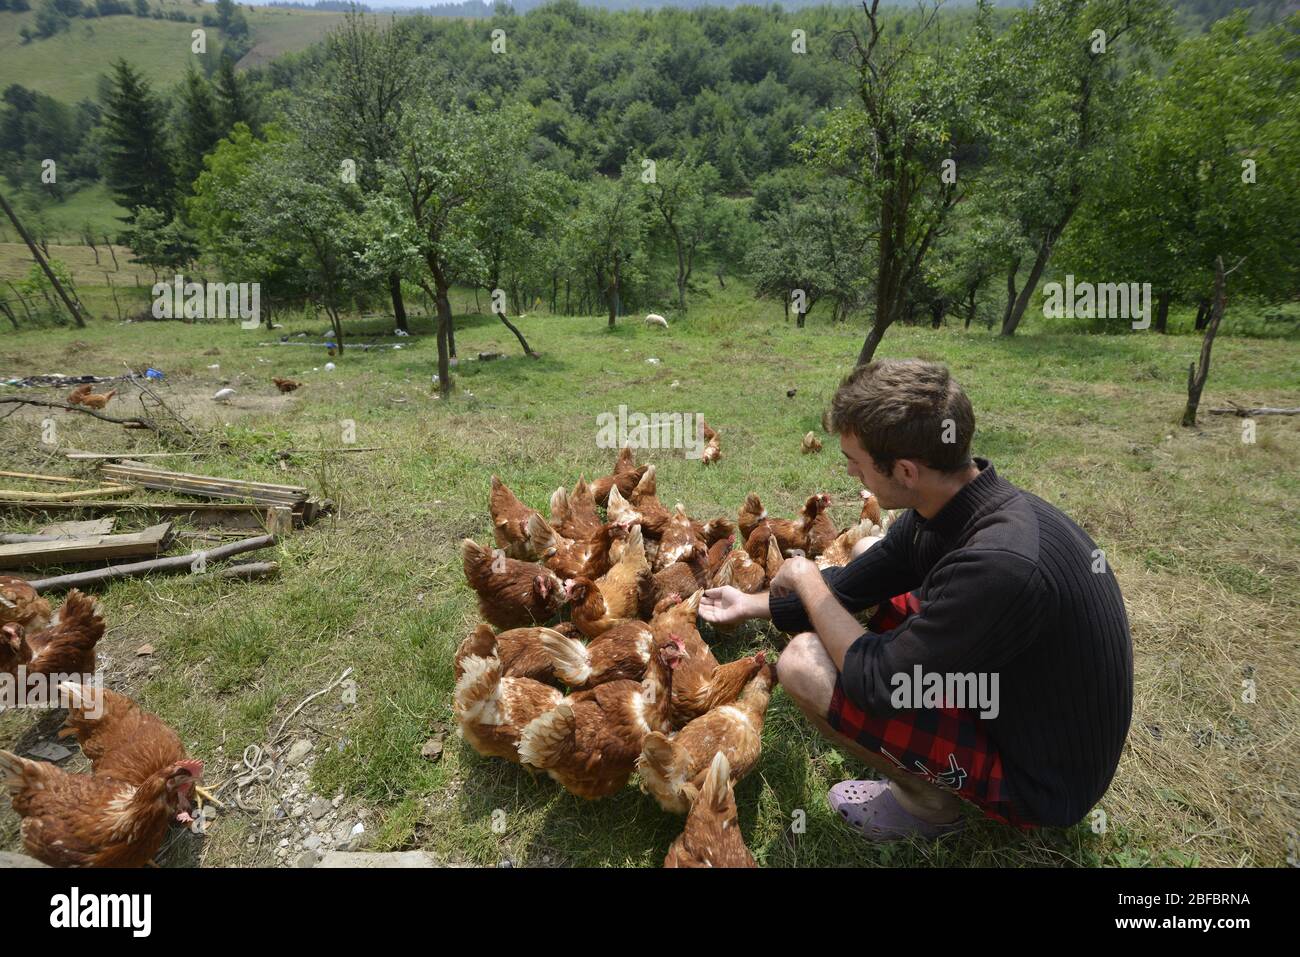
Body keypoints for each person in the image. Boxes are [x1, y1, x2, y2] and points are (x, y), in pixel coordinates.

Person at [699, 359, 1132, 840]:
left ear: (905, 470)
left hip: (1040, 777)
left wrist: (804, 577)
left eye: (856, 462)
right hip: (1013, 691)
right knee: (866, 550)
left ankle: (928, 807)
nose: (849, 471)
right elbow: (862, 579)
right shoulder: (961, 504)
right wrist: (753, 604)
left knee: (803, 664)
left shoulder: (999, 565)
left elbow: (876, 682)